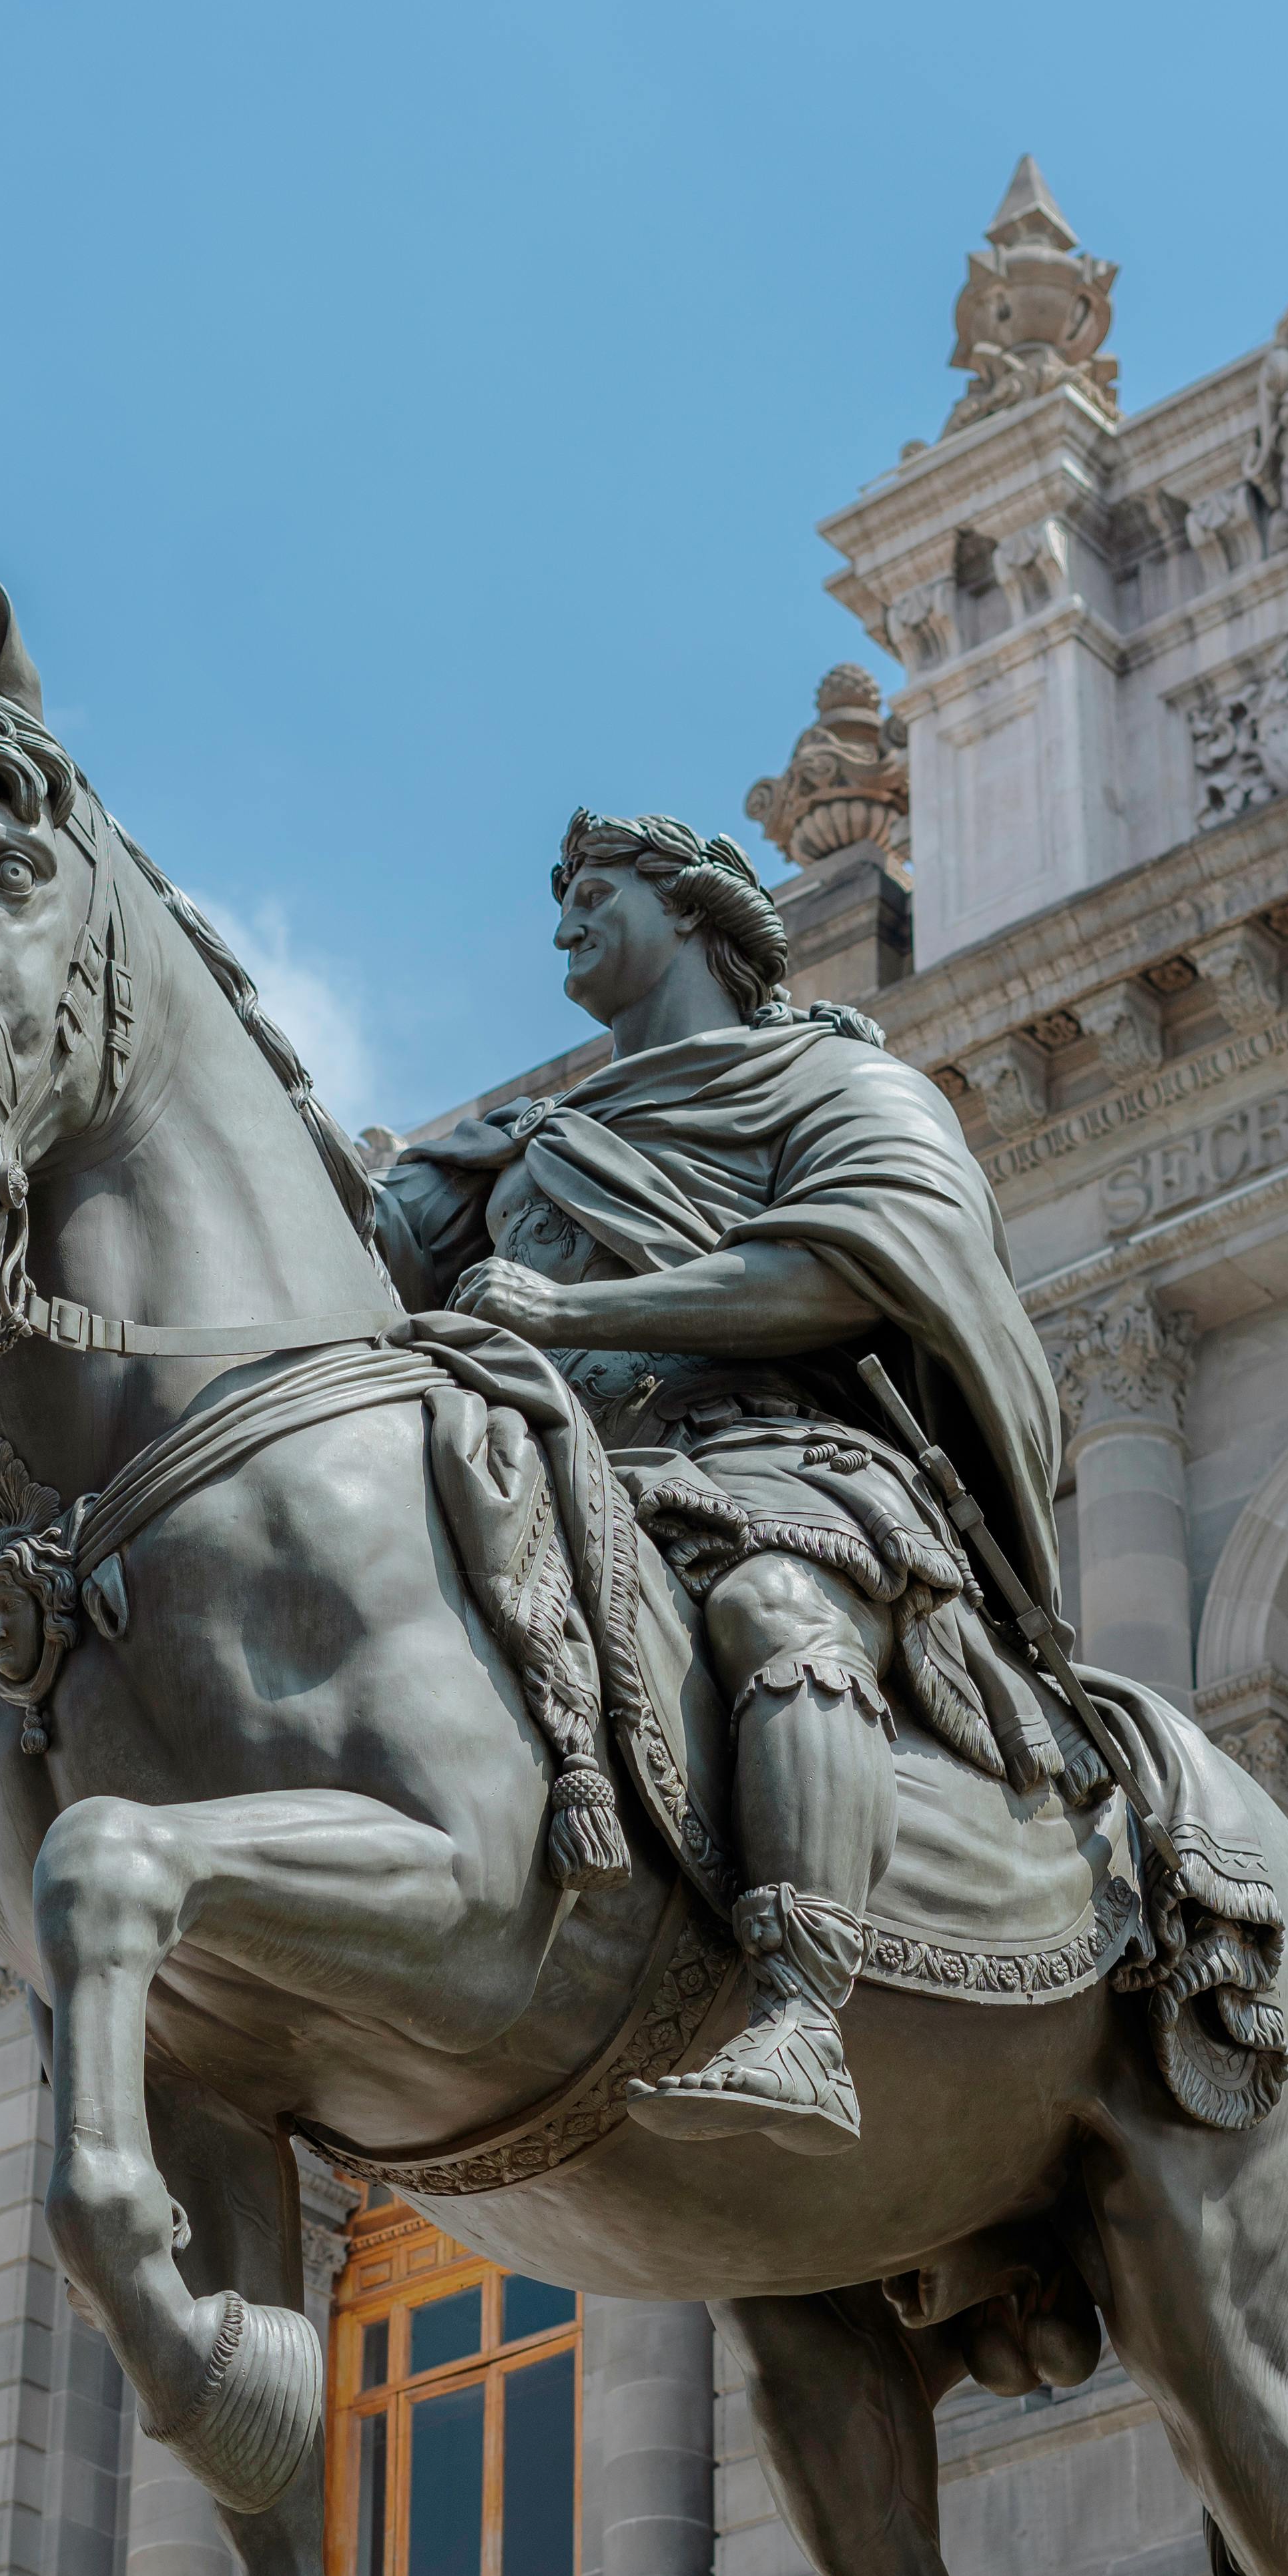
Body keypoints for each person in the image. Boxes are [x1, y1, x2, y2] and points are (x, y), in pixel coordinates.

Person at [370, 809, 1068, 2151]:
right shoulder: (524, 1148)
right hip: (562, 1474)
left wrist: (568, 1320)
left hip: (777, 1455)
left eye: (594, 890)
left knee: (771, 1612)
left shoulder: (836, 1086)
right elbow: (352, 1268)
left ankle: (804, 2011)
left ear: (692, 912)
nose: (562, 919)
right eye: (555, 894)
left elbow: (850, 1267)